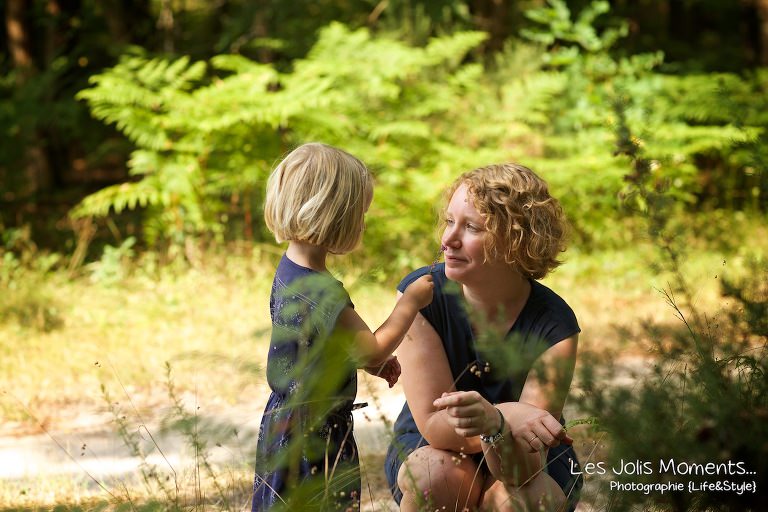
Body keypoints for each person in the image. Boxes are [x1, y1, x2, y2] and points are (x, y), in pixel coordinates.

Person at [384, 163, 582, 511]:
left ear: (516, 242)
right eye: (449, 222)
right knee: (436, 479)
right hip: (435, 448)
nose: (448, 239)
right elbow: (434, 425)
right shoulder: (422, 295)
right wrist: (511, 415)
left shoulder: (555, 325)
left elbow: (523, 469)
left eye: (471, 227)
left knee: (526, 499)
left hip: (526, 461)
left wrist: (497, 423)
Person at [252, 142, 434, 512]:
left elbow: (318, 340)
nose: (363, 223)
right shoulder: (323, 290)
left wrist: (361, 361)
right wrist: (410, 303)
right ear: (335, 215)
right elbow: (375, 346)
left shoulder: (289, 271)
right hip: (317, 431)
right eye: (360, 213)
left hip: (283, 420)